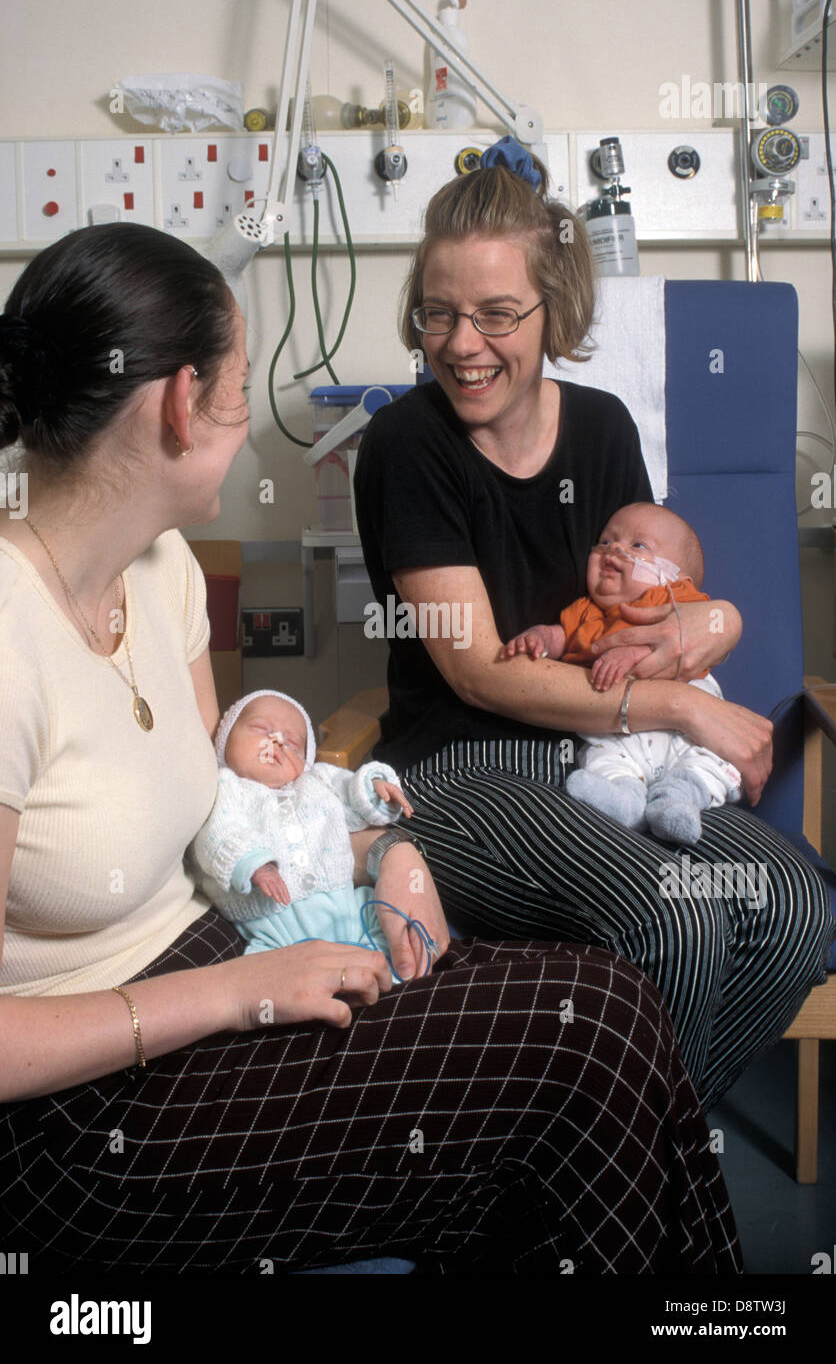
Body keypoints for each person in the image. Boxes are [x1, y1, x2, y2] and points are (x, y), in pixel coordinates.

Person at [0, 221, 743, 1275]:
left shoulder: (156, 570)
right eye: (242, 382)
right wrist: (230, 996)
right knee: (587, 1044)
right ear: (179, 402)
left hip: (235, 944)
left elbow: (234, 807)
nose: (250, 411)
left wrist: (378, 852)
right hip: (82, 1118)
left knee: (601, 1003)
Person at [354, 138, 835, 1110]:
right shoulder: (407, 446)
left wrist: (719, 618)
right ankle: (628, 1197)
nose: (461, 343)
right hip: (458, 770)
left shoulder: (605, 428)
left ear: (556, 312)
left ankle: (625, 1163)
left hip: (596, 757)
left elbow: (652, 601)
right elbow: (479, 673)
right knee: (676, 918)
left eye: (495, 314)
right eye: (438, 313)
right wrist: (683, 707)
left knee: (788, 907)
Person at [501, 503, 743, 844]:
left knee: (713, 759)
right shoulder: (585, 611)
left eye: (638, 546)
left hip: (684, 728)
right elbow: (562, 635)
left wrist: (635, 652)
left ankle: (681, 797)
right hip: (617, 728)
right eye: (605, 541)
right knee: (599, 755)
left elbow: (687, 639)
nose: (614, 549)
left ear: (673, 575)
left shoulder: (675, 599)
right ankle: (623, 799)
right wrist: (539, 637)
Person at [192, 689, 438, 976]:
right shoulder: (227, 788)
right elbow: (217, 834)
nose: (277, 741)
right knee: (263, 975)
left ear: (305, 761)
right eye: (262, 729)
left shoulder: (315, 781)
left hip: (345, 907)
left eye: (293, 744)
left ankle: (400, 975)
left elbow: (351, 797)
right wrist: (254, 864)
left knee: (387, 922)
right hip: (274, 925)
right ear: (224, 742)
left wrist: (374, 789)